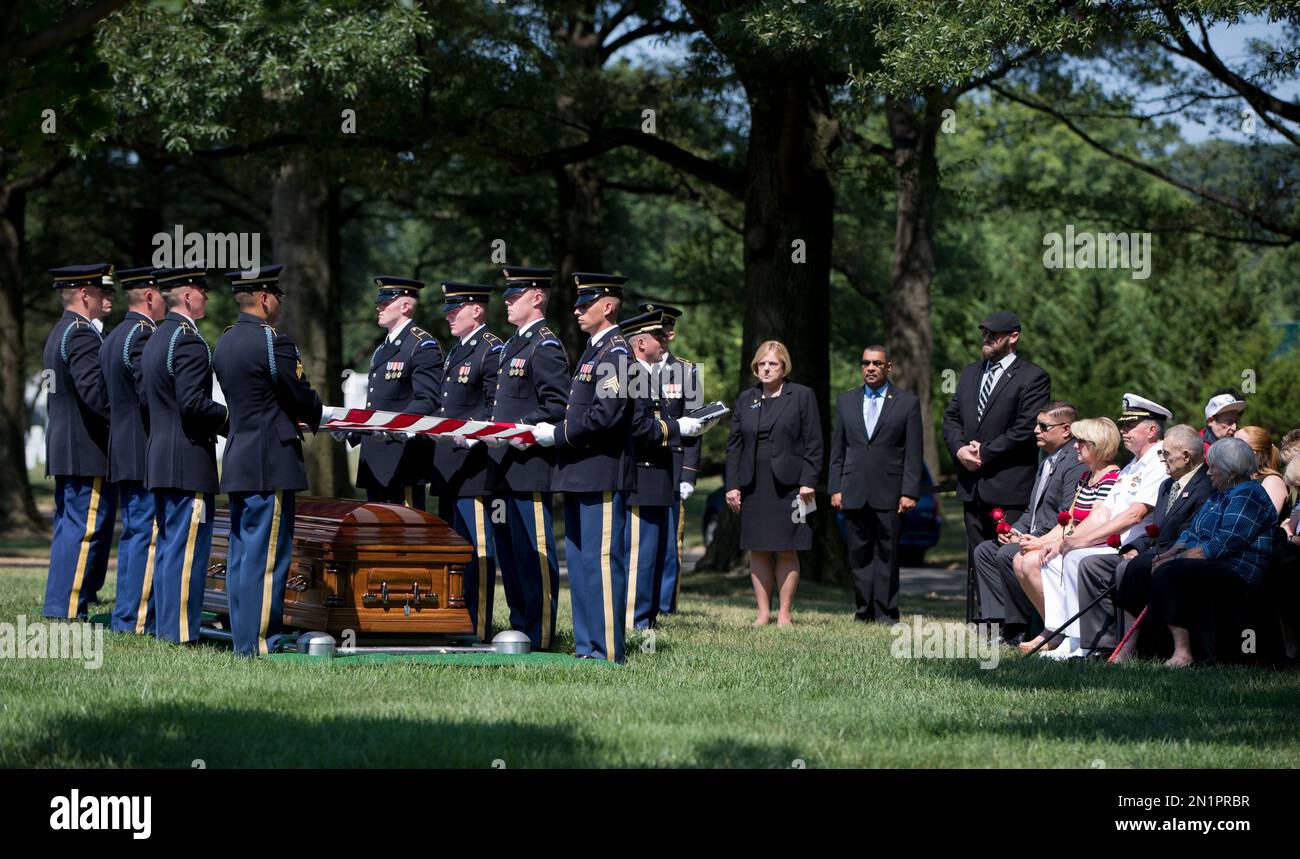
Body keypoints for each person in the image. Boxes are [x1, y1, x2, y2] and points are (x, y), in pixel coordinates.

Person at [213, 265, 323, 657]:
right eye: (276, 295)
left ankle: (243, 636)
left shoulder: (224, 341)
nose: (279, 302)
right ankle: (261, 641)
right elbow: (298, 393)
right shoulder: (272, 342)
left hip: (240, 456)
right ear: (264, 298)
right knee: (269, 555)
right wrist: (318, 413)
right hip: (270, 460)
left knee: (243, 553)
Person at [531, 272, 641, 662]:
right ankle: (586, 646)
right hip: (581, 470)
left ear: (608, 306)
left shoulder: (617, 353)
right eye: (576, 304)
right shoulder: (594, 350)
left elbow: (606, 416)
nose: (576, 310)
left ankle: (608, 650)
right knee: (578, 564)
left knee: (601, 563)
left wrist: (558, 434)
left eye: (585, 303)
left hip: (601, 470)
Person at [1032, 395, 1170, 658]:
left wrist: (1081, 542)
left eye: (1130, 427)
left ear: (1152, 430)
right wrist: (1067, 541)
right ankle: (1075, 639)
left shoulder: (1158, 462)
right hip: (1115, 541)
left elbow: (1134, 515)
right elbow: (1102, 513)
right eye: (1123, 426)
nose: (1123, 431)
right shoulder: (1133, 465)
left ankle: (1093, 642)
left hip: (1135, 545)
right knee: (1066, 555)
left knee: (1077, 558)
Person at [941, 311, 1051, 622]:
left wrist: (985, 451)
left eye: (995, 334)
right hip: (972, 484)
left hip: (1009, 485)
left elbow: (1025, 428)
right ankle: (986, 618)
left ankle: (1015, 623)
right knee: (979, 556)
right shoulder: (970, 374)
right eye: (985, 334)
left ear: (1013, 337)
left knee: (1007, 554)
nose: (987, 340)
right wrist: (960, 449)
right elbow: (951, 419)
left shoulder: (1033, 376)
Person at [138, 267, 227, 645]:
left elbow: (146, 399)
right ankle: (180, 632)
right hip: (187, 459)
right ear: (189, 296)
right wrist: (229, 420)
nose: (207, 298)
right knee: (188, 550)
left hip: (160, 456)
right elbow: (192, 403)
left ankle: (164, 627)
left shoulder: (156, 337)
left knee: (170, 548)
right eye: (203, 292)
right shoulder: (189, 341)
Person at [489, 266, 569, 651]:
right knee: (510, 549)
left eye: (514, 294)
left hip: (529, 465)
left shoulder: (545, 345)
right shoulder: (512, 345)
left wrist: (521, 428)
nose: (506, 300)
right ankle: (519, 622)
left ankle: (541, 631)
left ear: (536, 298)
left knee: (533, 552)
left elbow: (557, 405)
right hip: (504, 465)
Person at [1085, 424, 1214, 661]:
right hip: (1157, 550)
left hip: (1182, 553)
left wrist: (1159, 554)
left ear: (1186, 456)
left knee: (1131, 568)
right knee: (1112, 564)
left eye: (1165, 453)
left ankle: (1134, 646)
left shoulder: (1206, 484)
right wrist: (1134, 547)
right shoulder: (1167, 485)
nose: (1162, 459)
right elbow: (1158, 529)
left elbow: (1191, 532)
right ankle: (1113, 644)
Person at [1148, 437, 1279, 667]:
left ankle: (1183, 653)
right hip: (1213, 565)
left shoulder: (1248, 493)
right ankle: (1145, 647)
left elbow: (1223, 544)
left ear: (1230, 471)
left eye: (1213, 468)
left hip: (1238, 572)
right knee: (1142, 567)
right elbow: (1191, 532)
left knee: (1169, 572)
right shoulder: (1219, 495)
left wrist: (1175, 559)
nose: (1208, 474)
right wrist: (1168, 554)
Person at [724, 340, 823, 626]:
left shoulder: (802, 396)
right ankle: (763, 612)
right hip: (754, 484)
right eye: (762, 364)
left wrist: (809, 481)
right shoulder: (746, 399)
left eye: (773, 364)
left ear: (784, 368)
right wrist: (732, 484)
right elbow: (734, 446)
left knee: (787, 547)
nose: (766, 369)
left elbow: (814, 443)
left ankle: (784, 613)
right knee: (759, 548)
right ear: (755, 368)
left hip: (794, 486)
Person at [972, 401, 1086, 644]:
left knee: (1005, 555)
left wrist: (1033, 540)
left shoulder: (1074, 462)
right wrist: (1014, 530)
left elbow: (1069, 515)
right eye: (1037, 424)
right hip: (1031, 535)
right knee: (984, 551)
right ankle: (1001, 622)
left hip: (1051, 540)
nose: (1036, 430)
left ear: (1066, 429)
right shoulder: (1047, 460)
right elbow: (1032, 510)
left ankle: (1021, 626)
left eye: (1043, 426)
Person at [619, 310, 706, 630]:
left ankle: (661, 605)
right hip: (645, 466)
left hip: (672, 463)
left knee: (668, 546)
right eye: (660, 331)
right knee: (645, 545)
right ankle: (639, 613)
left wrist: (688, 473)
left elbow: (695, 426)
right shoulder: (629, 372)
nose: (667, 336)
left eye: (667, 329)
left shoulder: (686, 371)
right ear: (642, 341)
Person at [42, 264, 118, 621]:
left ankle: (63, 603)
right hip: (86, 447)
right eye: (102, 291)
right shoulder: (82, 334)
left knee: (70, 528)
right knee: (84, 530)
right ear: (84, 294)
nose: (109, 297)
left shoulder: (60, 332)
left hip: (66, 445)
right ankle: (68, 609)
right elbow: (95, 395)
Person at [828, 344, 922, 623]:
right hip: (853, 490)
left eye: (877, 364)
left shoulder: (906, 402)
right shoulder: (846, 401)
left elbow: (914, 453)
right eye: (866, 363)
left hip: (890, 493)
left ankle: (886, 611)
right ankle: (863, 610)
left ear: (888, 367)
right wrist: (835, 487)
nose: (870, 368)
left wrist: (909, 491)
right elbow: (838, 450)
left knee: (887, 554)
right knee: (858, 554)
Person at [1012, 417, 1122, 653]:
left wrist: (1057, 544)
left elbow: (1094, 524)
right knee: (1022, 557)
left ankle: (1062, 632)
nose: (1075, 446)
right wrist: (1040, 541)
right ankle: (1055, 628)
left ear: (1097, 445)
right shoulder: (1086, 478)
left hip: (1094, 544)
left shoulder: (1112, 478)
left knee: (1033, 560)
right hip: (1075, 541)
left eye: (1081, 442)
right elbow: (1069, 520)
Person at [432, 282, 503, 643]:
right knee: (452, 550)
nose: (448, 315)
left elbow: (495, 407)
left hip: (474, 466)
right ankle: (451, 619)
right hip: (448, 465)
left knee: (476, 550)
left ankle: (476, 624)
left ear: (476, 310)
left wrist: (475, 433)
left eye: (454, 308)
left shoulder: (491, 350)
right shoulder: (457, 350)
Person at [101, 266, 166, 635]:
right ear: (150, 297)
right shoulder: (142, 336)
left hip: (123, 445)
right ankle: (136, 618)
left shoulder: (115, 335)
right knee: (146, 534)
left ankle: (126, 615)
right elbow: (148, 394)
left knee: (134, 533)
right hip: (142, 446)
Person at [349, 276, 443, 509]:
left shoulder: (422, 345)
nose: (379, 306)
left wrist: (392, 426)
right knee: (379, 536)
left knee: (406, 535)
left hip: (404, 457)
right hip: (375, 456)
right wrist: (354, 429)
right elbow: (377, 401)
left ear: (405, 306)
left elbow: (428, 399)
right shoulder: (383, 348)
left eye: (386, 302)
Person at [1233, 425, 1290, 521]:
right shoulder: (1241, 479)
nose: (1229, 447)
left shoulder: (1273, 482)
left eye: (1236, 445)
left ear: (1252, 453)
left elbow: (1263, 521)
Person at [1201, 389, 1246, 454]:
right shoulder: (1198, 451)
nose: (1234, 428)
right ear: (1210, 421)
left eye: (1236, 422)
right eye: (1229, 422)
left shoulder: (1241, 445)